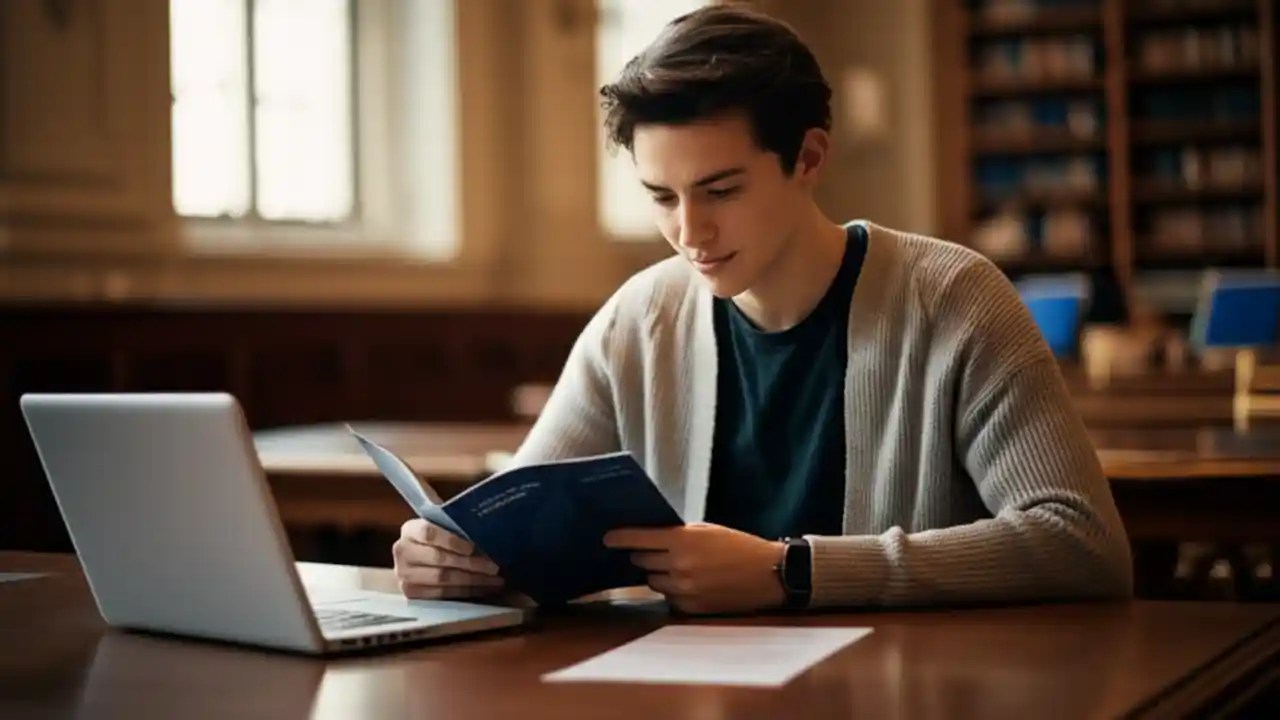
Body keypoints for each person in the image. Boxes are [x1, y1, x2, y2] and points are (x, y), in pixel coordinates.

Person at [392, 5, 1133, 614]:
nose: (689, 233)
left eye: (720, 191)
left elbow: (1083, 544)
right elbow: (520, 522)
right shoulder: (638, 320)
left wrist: (795, 571)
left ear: (809, 159)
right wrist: (461, 559)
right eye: (661, 197)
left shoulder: (954, 298)